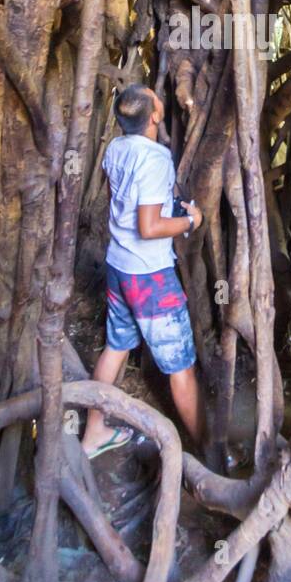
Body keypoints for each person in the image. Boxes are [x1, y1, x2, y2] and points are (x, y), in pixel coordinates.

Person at [82, 83, 205, 459]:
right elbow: (148, 226)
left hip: (119, 266)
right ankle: (208, 453)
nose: (159, 97)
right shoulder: (155, 159)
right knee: (181, 366)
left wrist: (170, 206)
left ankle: (93, 434)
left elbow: (120, 198)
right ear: (154, 116)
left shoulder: (116, 149)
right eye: (155, 97)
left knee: (116, 347)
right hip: (149, 278)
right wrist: (190, 222)